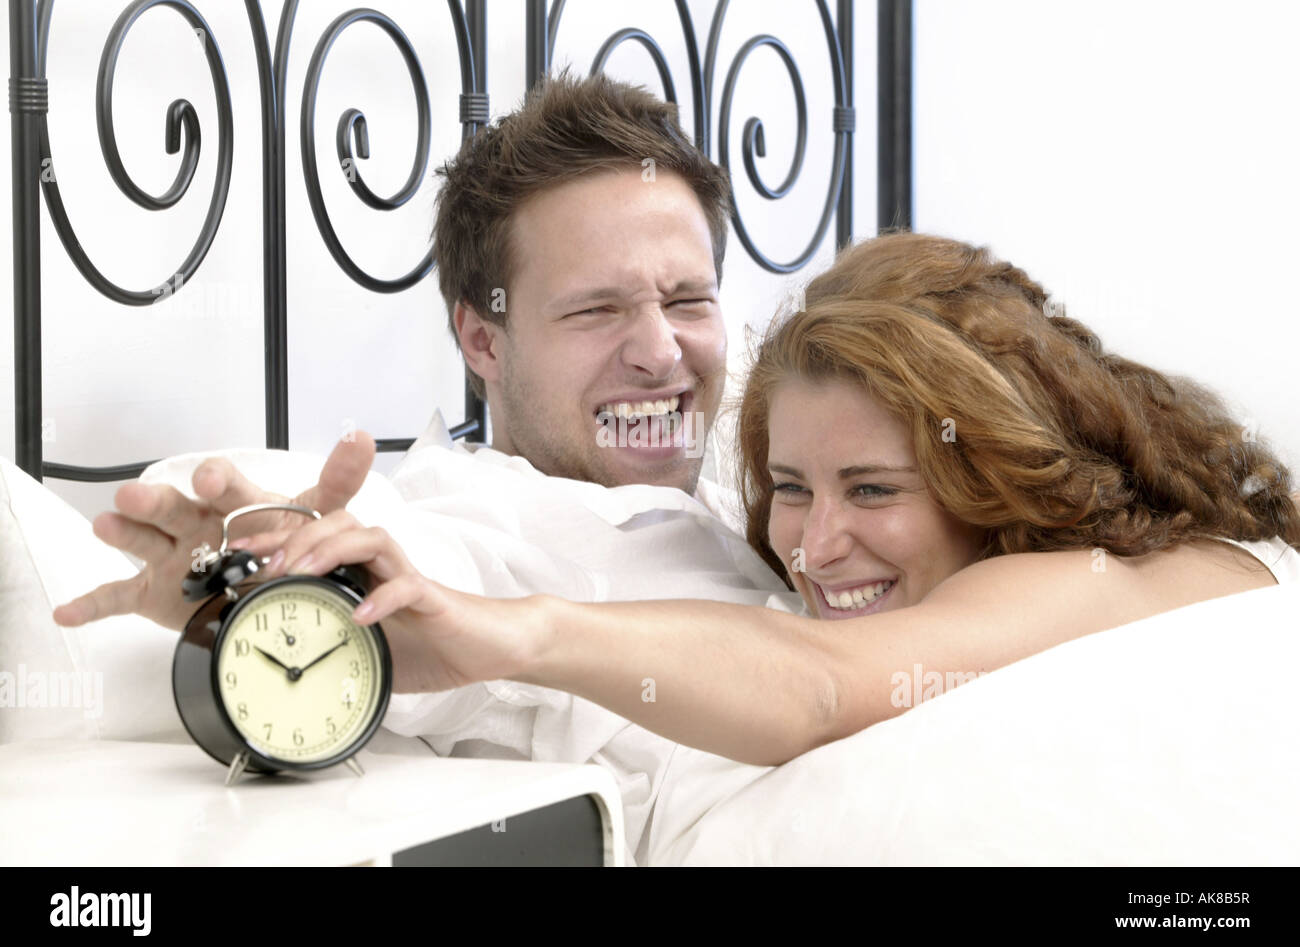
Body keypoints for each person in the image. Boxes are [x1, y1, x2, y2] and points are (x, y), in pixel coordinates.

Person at [50, 72, 798, 864]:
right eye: (595, 309)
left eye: (687, 301)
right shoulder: (472, 530)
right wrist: (292, 581)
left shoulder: (777, 495)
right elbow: (413, 590)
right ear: (483, 341)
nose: (660, 352)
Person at [226, 232, 1300, 768]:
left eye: (873, 488)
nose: (815, 547)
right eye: (789, 488)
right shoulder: (1168, 555)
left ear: (1001, 474)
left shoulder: (1114, 576)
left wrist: (509, 634)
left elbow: (820, 689)